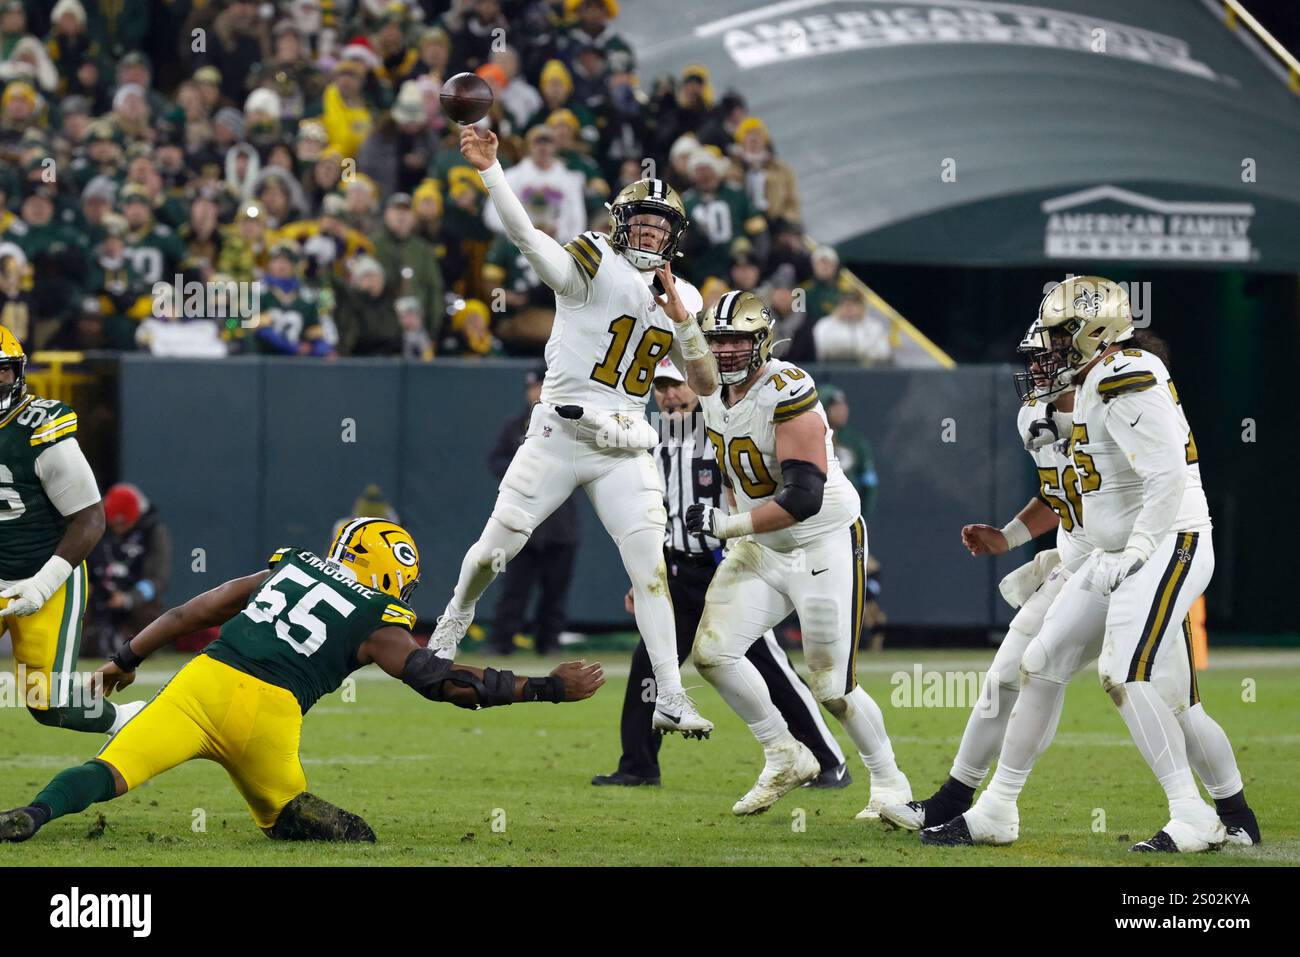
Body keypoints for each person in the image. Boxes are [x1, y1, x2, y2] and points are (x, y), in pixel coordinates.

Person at [0, 519, 605, 844]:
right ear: (392, 573)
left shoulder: (289, 568)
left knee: (107, 772)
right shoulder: (378, 616)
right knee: (324, 828)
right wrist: (546, 687)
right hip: (270, 719)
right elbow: (440, 682)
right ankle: (288, 811)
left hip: (201, 683)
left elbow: (195, 612)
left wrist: (124, 659)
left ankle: (33, 812)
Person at [920, 276, 1259, 851]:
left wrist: (1140, 549)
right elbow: (1073, 493)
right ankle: (999, 807)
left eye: (1056, 339)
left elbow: (1167, 475)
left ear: (1091, 332)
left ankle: (1195, 813)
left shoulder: (1126, 374)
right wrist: (1027, 539)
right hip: (1113, 553)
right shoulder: (1084, 388)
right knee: (1041, 661)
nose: (1046, 354)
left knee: (1125, 673)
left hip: (1167, 541)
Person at [432, 123, 713, 738]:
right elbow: (528, 237)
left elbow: (707, 383)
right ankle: (455, 617)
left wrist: (684, 324)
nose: (649, 234)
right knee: (493, 552)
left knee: (652, 570)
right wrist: (490, 170)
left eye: (660, 227)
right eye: (641, 222)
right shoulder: (594, 259)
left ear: (674, 238)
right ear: (621, 222)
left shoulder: (683, 294)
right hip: (561, 432)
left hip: (626, 444)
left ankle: (670, 692)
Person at [655, 281, 911, 816]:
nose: (724, 350)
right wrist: (682, 317)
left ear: (763, 342)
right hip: (762, 545)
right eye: (716, 339)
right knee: (712, 654)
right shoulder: (711, 386)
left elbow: (804, 497)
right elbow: (697, 367)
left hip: (821, 539)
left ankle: (890, 784)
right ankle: (783, 752)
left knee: (832, 684)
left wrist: (726, 526)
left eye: (736, 340)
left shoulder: (787, 388)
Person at [592, 358, 849, 788]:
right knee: (650, 667)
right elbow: (657, 515)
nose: (670, 395)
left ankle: (828, 761)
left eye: (677, 385)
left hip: (724, 568)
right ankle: (638, 765)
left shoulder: (721, 430)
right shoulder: (653, 438)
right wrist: (644, 578)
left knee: (770, 668)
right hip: (675, 571)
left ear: (698, 385)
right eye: (661, 388)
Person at [0, 327, 142, 735]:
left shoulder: (40, 431)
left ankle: (128, 722)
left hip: (46, 575)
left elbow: (91, 518)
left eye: (2, 372)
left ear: (18, 373)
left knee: (50, 705)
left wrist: (41, 585)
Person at [487, 368, 581, 656]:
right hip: (522, 519)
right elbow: (495, 460)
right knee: (515, 588)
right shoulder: (515, 425)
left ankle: (549, 643)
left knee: (555, 590)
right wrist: (525, 473)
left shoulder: (571, 424)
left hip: (560, 522)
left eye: (540, 386)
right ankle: (501, 642)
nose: (535, 393)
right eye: (531, 388)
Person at [86, 483, 171, 657]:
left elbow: (157, 580)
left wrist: (129, 598)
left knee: (148, 622)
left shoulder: (154, 532)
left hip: (136, 600)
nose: (118, 528)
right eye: (114, 523)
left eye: (123, 523)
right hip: (99, 597)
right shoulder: (96, 526)